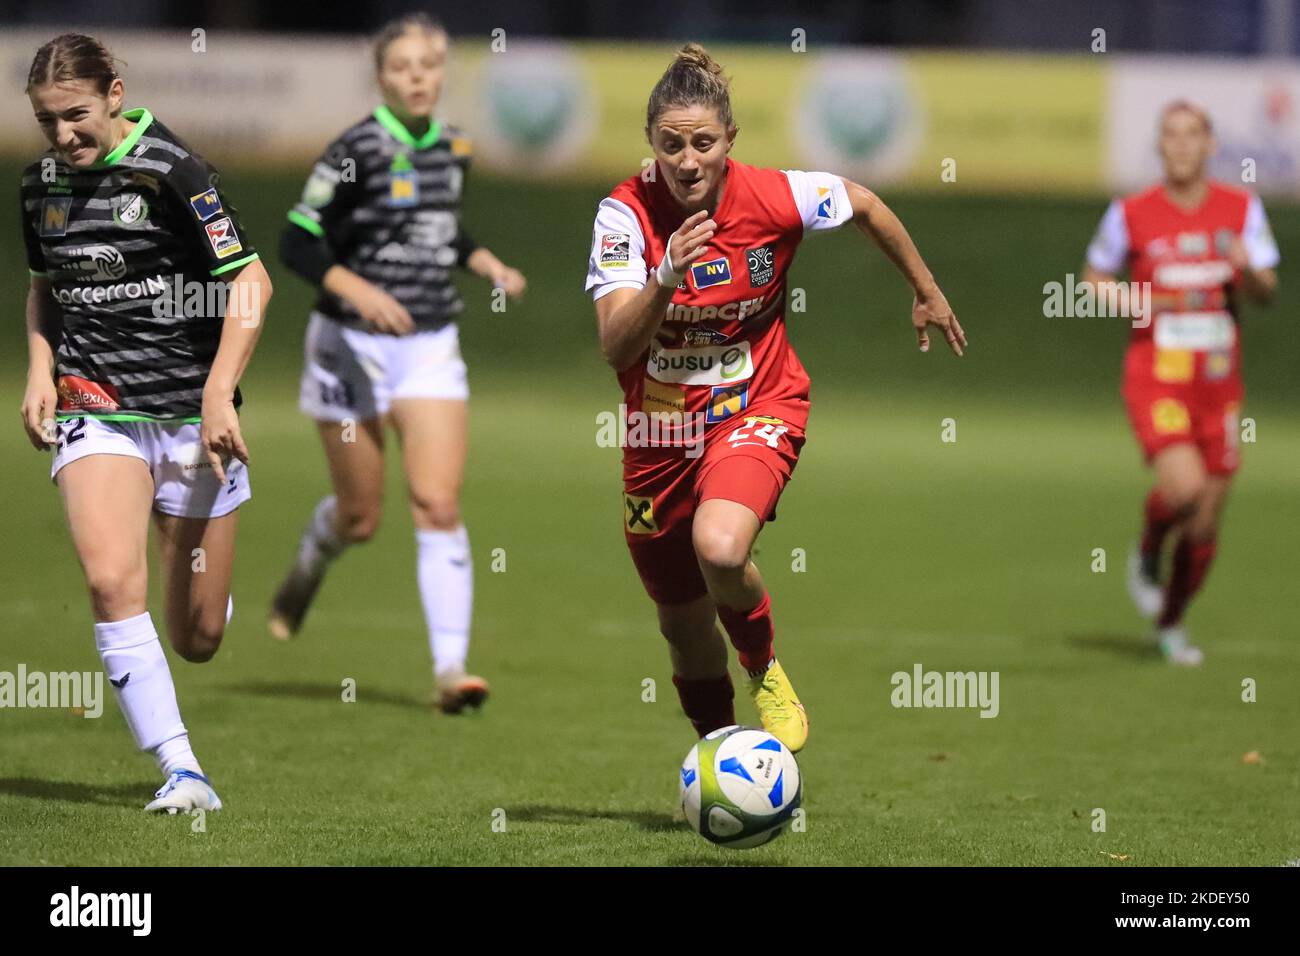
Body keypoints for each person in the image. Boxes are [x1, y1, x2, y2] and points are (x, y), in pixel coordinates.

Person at [585, 44, 965, 751]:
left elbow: (866, 204)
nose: (688, 159)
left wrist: (926, 289)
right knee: (683, 626)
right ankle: (727, 756)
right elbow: (615, 347)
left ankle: (764, 671)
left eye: (703, 142)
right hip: (659, 438)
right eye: (672, 144)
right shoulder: (623, 216)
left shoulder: (776, 196)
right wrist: (664, 275)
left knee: (721, 550)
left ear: (730, 140)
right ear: (651, 144)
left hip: (757, 408)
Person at [19, 33, 272, 811]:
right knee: (106, 579)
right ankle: (182, 770)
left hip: (192, 419)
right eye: (47, 122)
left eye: (77, 115)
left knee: (196, 638)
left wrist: (219, 390)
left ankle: (192, 578)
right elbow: (46, 286)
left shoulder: (174, 170)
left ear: (116, 94)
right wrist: (39, 368)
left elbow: (250, 280)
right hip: (96, 406)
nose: (64, 136)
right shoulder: (39, 186)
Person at [269, 13, 525, 713]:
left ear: (443, 71)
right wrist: (357, 289)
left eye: (429, 65)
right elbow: (296, 239)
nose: (417, 77)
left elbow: (442, 228)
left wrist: (485, 262)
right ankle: (311, 558)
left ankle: (451, 670)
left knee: (437, 502)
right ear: (381, 75)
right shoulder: (355, 149)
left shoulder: (453, 146)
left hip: (430, 345)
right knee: (361, 517)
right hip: (349, 348)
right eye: (402, 66)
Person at [1084, 100, 1278, 666]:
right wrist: (1120, 296)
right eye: (1171, 134)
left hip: (1218, 383)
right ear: (1160, 145)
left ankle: (1170, 622)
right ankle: (1148, 549)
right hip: (1158, 377)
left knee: (1205, 520)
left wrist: (1250, 270)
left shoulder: (1242, 210)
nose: (1182, 144)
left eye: (1193, 134)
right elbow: (1095, 275)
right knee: (1185, 490)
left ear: (1211, 144)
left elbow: (1268, 292)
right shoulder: (1132, 212)